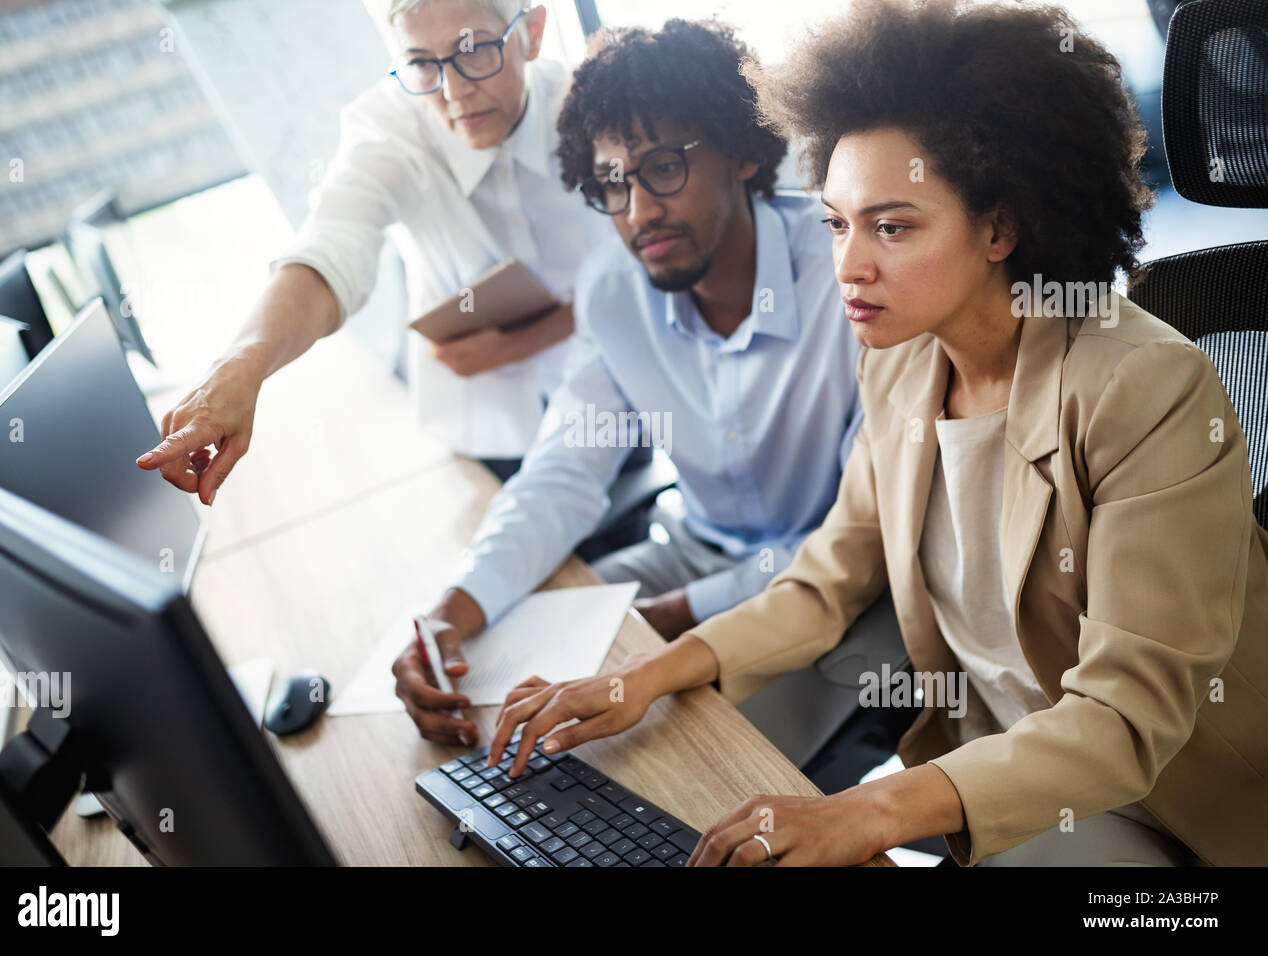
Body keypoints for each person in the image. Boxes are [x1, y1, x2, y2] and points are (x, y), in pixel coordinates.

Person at [483, 0, 1268, 866]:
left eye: (891, 227)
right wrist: (641, 677)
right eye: (836, 223)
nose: (849, 266)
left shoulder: (1146, 388)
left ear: (1002, 226)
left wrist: (872, 809)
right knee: (691, 806)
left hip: (1145, 794)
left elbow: (1124, 721)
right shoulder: (901, 362)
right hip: (984, 758)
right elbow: (824, 581)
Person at [391, 20, 873, 748]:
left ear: (743, 152)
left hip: (839, 588)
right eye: (612, 184)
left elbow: (860, 542)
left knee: (658, 763)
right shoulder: (615, 290)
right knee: (498, 661)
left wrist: (670, 619)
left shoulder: (850, 278)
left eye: (664, 169)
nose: (640, 212)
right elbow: (562, 473)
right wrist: (450, 615)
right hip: (693, 550)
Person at [135, 0, 610, 498]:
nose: (453, 92)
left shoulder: (595, 110)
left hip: (611, 397)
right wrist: (241, 368)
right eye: (423, 63)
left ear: (532, 32)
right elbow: (334, 243)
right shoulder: (390, 127)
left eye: (474, 51)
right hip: (487, 426)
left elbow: (658, 271)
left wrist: (532, 338)